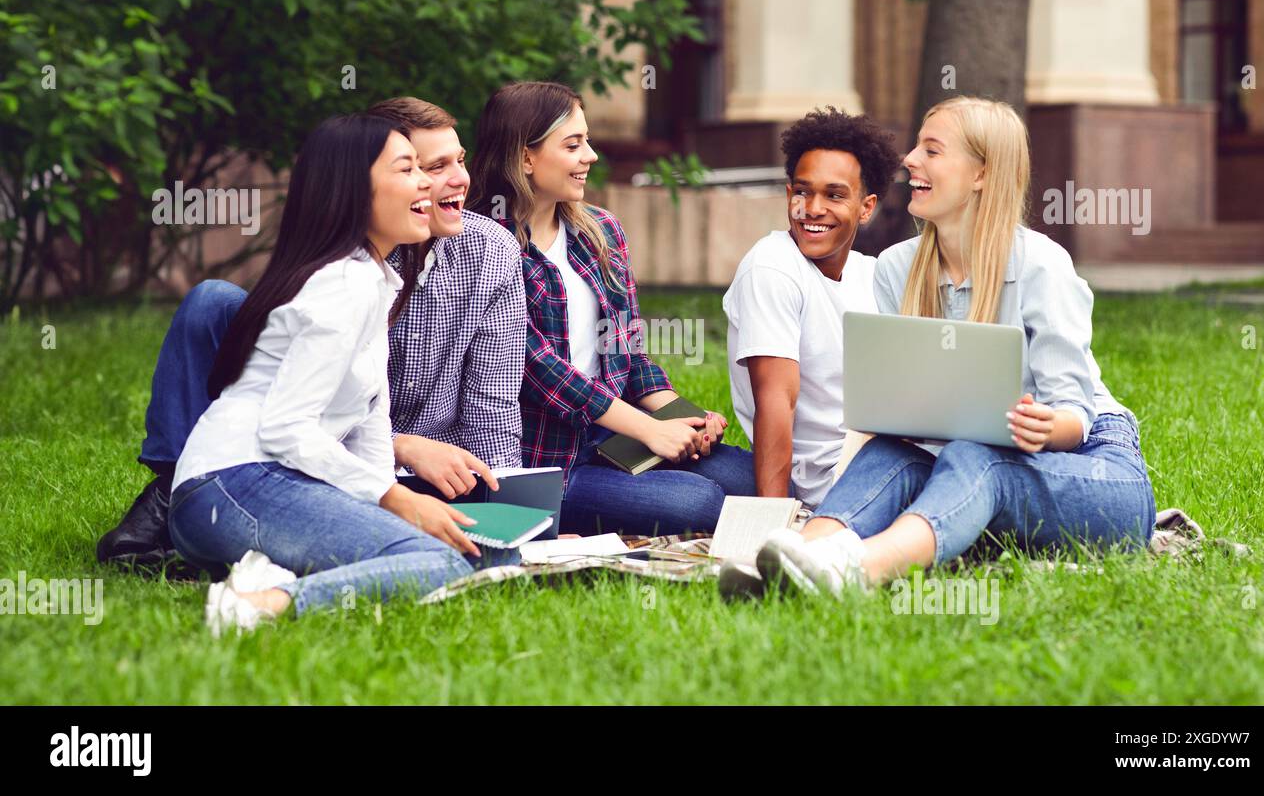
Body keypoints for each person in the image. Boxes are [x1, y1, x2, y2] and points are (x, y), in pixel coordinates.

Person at [737, 96, 1155, 598]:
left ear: (981, 174)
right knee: (894, 449)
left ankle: (857, 571)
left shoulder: (1042, 265)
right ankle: (800, 553)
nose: (909, 160)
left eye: (931, 150)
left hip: (1094, 467)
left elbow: (1074, 415)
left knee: (978, 454)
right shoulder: (897, 268)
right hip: (961, 465)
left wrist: (1044, 426)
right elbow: (909, 418)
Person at [97, 97, 526, 576]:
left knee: (489, 556)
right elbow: (287, 427)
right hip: (246, 474)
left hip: (301, 474)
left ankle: (231, 563)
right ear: (355, 190)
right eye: (414, 169)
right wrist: (394, 497)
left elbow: (374, 427)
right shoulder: (344, 281)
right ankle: (265, 597)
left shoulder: (381, 279)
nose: (436, 182)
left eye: (456, 161)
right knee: (438, 561)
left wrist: (505, 510)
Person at [467, 81, 756, 537]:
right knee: (699, 502)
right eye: (573, 144)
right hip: (548, 459)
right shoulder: (485, 244)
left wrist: (683, 416)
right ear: (525, 157)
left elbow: (630, 353)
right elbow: (539, 370)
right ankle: (556, 515)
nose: (591, 156)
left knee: (749, 478)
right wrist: (647, 429)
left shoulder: (600, 231)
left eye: (587, 141)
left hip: (612, 438)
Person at [722, 108, 896, 506]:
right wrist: (772, 518)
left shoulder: (874, 275)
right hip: (829, 481)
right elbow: (776, 402)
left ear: (866, 208)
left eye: (834, 195)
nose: (812, 209)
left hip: (884, 453)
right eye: (803, 192)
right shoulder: (772, 266)